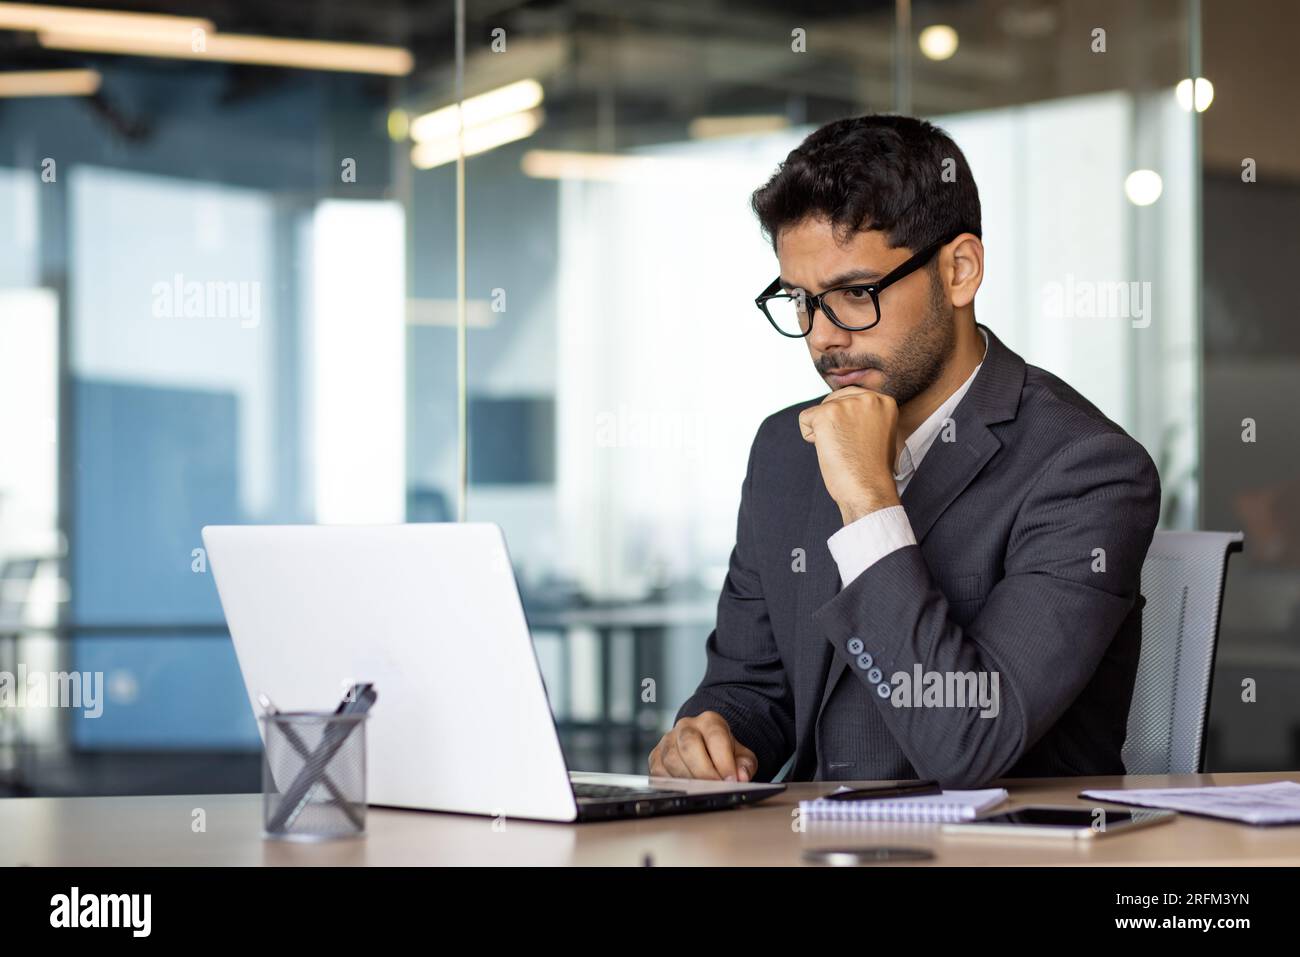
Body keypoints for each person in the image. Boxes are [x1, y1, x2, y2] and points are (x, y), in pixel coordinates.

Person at [650, 114, 1161, 787]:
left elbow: (971, 744)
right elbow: (752, 690)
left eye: (855, 294)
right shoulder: (785, 448)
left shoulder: (1085, 469)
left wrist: (868, 498)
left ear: (960, 270)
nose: (822, 338)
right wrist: (708, 737)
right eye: (801, 300)